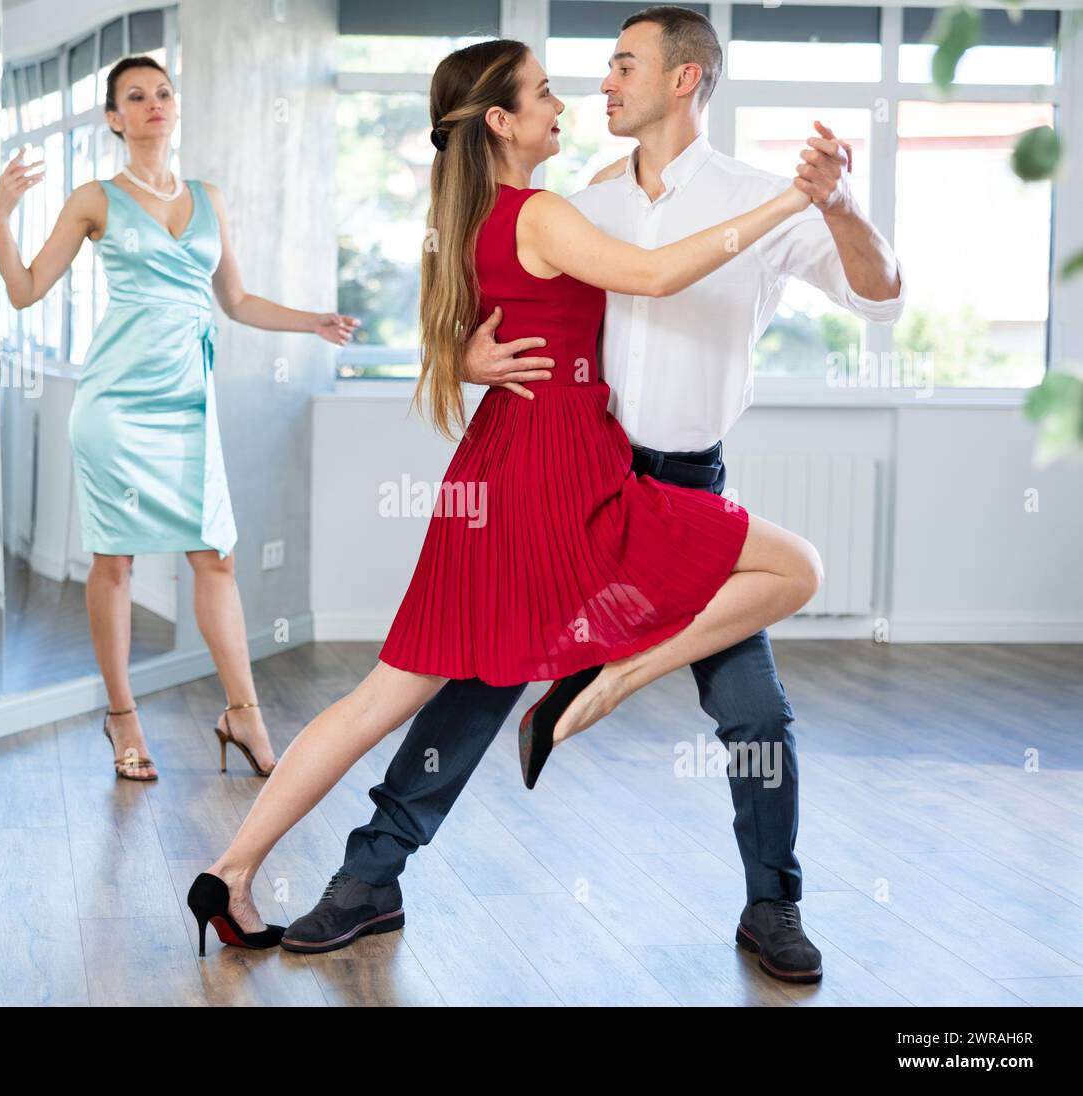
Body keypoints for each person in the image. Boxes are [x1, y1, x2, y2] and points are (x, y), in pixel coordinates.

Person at [295, 7, 904, 985]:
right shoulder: (582, 198)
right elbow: (491, 300)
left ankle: (770, 903)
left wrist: (831, 203)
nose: (600, 85)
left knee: (753, 715)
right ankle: (369, 878)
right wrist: (461, 354)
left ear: (683, 80)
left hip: (686, 487)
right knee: (479, 682)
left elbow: (882, 295)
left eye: (623, 65)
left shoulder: (766, 197)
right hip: (590, 477)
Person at [186, 37, 823, 958]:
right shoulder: (542, 213)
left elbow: (464, 328)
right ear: (500, 121)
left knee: (383, 695)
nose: (563, 103)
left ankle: (231, 871)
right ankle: (602, 686)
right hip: (562, 475)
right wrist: (790, 201)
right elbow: (651, 274)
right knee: (797, 566)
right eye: (543, 93)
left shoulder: (473, 215)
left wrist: (459, 359)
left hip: (492, 472)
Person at [0, 55, 359, 780]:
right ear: (114, 118)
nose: (154, 103)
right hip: (115, 407)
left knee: (214, 557)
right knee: (116, 561)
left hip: (186, 403)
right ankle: (122, 718)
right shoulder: (94, 198)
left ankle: (243, 712)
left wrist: (311, 320)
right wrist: (0, 216)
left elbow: (238, 301)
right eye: (136, 96)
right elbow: (26, 290)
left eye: (163, 92)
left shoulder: (207, 196)